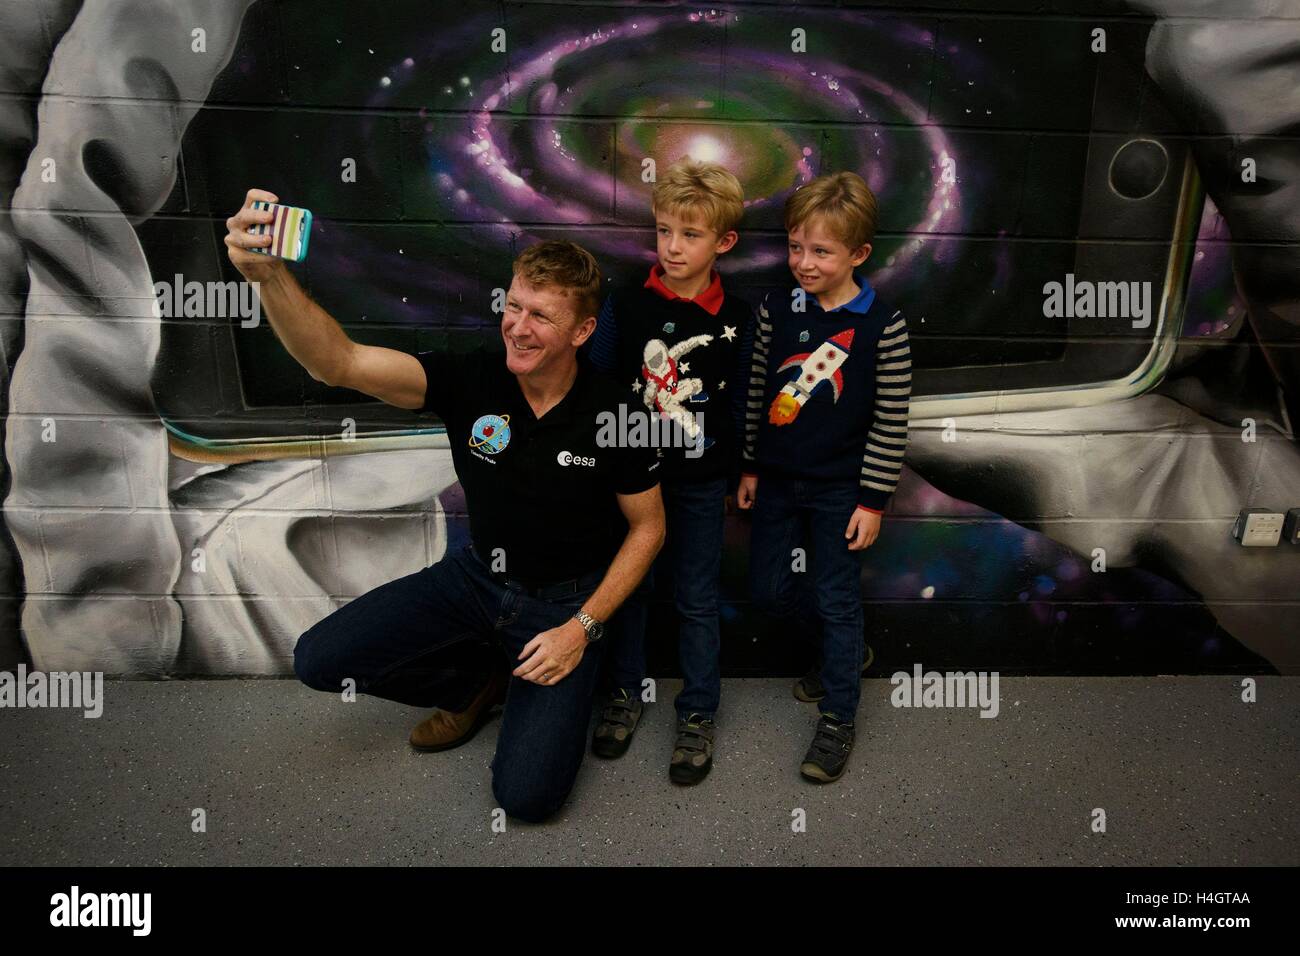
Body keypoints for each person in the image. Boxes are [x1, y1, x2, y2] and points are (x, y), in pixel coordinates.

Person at [223, 191, 665, 822]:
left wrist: (579, 631)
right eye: (514, 305)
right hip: (476, 579)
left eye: (541, 316)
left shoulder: (616, 410)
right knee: (318, 659)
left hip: (563, 606)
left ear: (582, 331)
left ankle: (539, 674)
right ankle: (473, 685)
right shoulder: (470, 379)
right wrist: (269, 277)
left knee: (527, 799)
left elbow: (648, 530)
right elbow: (336, 362)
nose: (518, 326)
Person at [583, 157, 754, 784]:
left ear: (723, 241)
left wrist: (745, 468)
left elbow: (743, 401)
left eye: (690, 234)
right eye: (663, 231)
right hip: (633, 479)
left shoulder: (737, 317)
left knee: (696, 598)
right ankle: (624, 694)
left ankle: (698, 710)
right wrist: (600, 457)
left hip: (701, 481)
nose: (673, 246)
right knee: (630, 590)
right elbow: (597, 381)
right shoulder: (626, 302)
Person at [738, 172, 912, 783]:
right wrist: (751, 463)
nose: (804, 263)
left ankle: (839, 714)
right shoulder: (775, 310)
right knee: (767, 590)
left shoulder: (883, 325)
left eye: (821, 251)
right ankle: (846, 653)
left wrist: (873, 499)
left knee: (837, 599)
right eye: (795, 247)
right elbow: (757, 391)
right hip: (777, 482)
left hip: (842, 491)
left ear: (858, 254)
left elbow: (891, 419)